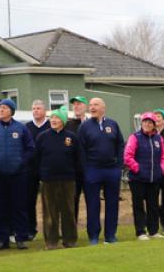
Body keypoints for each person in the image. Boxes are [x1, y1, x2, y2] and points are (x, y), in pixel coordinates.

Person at [0, 98, 34, 250]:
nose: (0, 110)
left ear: (11, 111)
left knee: (18, 206)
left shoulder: (21, 128)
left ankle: (20, 238)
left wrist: (21, 162)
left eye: (5, 108)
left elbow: (30, 148)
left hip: (17, 174)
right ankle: (2, 239)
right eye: (0, 108)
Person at [77, 97, 124, 244]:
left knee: (112, 203)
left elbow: (120, 145)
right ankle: (94, 236)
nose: (92, 107)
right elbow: (80, 150)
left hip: (111, 170)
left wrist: (118, 166)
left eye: (95, 105)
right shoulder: (84, 127)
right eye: (90, 105)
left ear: (103, 107)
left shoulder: (113, 124)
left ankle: (110, 235)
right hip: (93, 170)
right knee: (92, 204)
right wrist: (86, 169)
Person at [32, 108, 80, 249]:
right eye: (52, 117)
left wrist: (74, 174)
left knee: (68, 211)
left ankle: (70, 240)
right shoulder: (42, 137)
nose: (53, 120)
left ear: (63, 121)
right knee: (50, 212)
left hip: (68, 180)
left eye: (57, 118)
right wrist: (41, 175)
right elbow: (37, 158)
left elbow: (77, 158)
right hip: (48, 180)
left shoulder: (72, 137)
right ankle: (51, 242)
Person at [124, 112, 164, 240]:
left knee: (153, 205)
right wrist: (138, 169)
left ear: (154, 125)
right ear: (141, 123)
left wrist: (161, 169)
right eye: (145, 122)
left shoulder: (159, 139)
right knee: (138, 205)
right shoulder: (135, 137)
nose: (147, 124)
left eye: (150, 122)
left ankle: (153, 231)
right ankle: (141, 232)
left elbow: (163, 156)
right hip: (138, 179)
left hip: (154, 178)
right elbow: (127, 157)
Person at [25, 99, 51, 240]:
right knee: (29, 200)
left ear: (44, 111)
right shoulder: (27, 127)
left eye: (38, 108)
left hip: (47, 168)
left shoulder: (50, 126)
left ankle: (50, 229)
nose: (36, 111)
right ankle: (30, 229)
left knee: (49, 201)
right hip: (30, 169)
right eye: (34, 108)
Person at [64, 95, 89, 218]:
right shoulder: (68, 125)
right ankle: (71, 230)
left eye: (79, 103)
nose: (76, 106)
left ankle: (93, 231)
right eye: (74, 104)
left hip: (90, 168)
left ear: (85, 106)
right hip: (73, 171)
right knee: (72, 200)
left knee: (91, 200)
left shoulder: (91, 124)